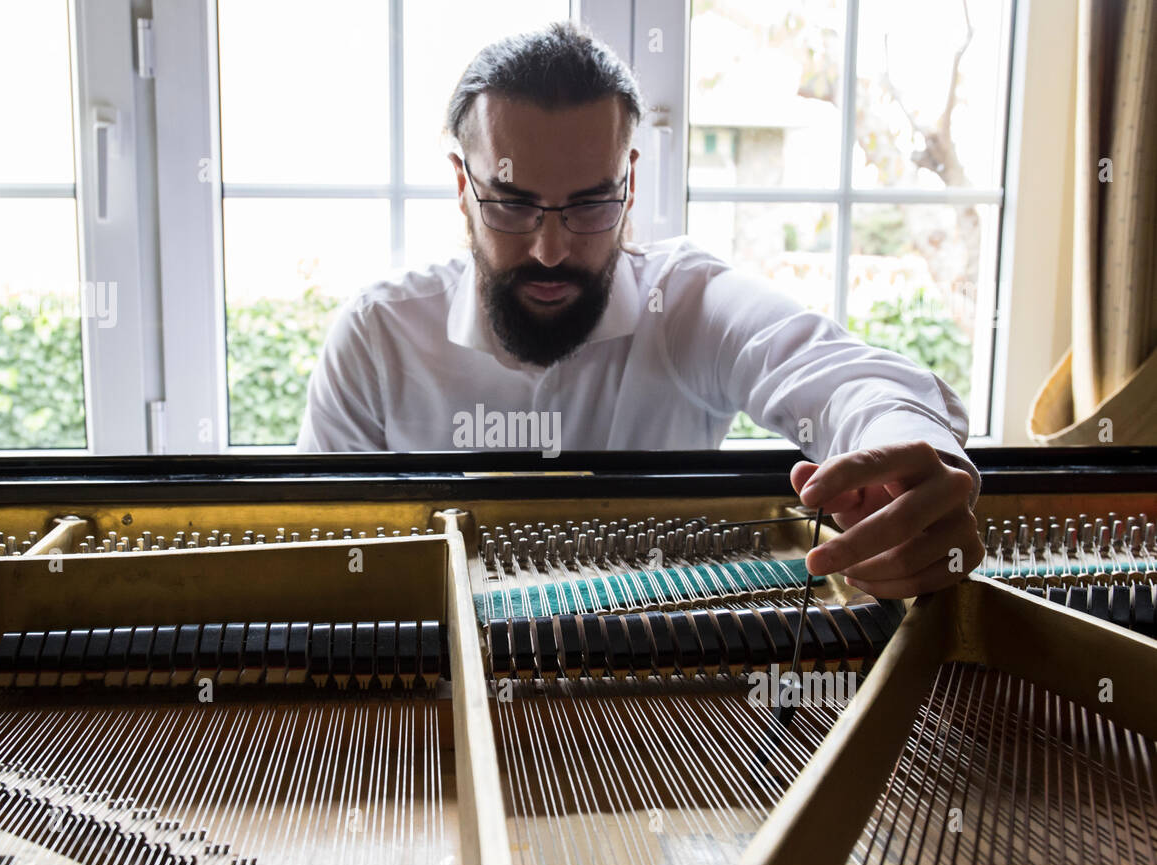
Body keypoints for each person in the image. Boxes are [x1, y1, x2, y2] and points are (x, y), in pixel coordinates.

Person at [299, 21, 983, 598]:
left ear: (628, 188)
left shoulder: (687, 303)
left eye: (590, 203)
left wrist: (900, 452)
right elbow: (325, 565)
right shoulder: (377, 336)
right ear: (462, 187)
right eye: (512, 203)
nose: (549, 248)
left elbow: (837, 372)